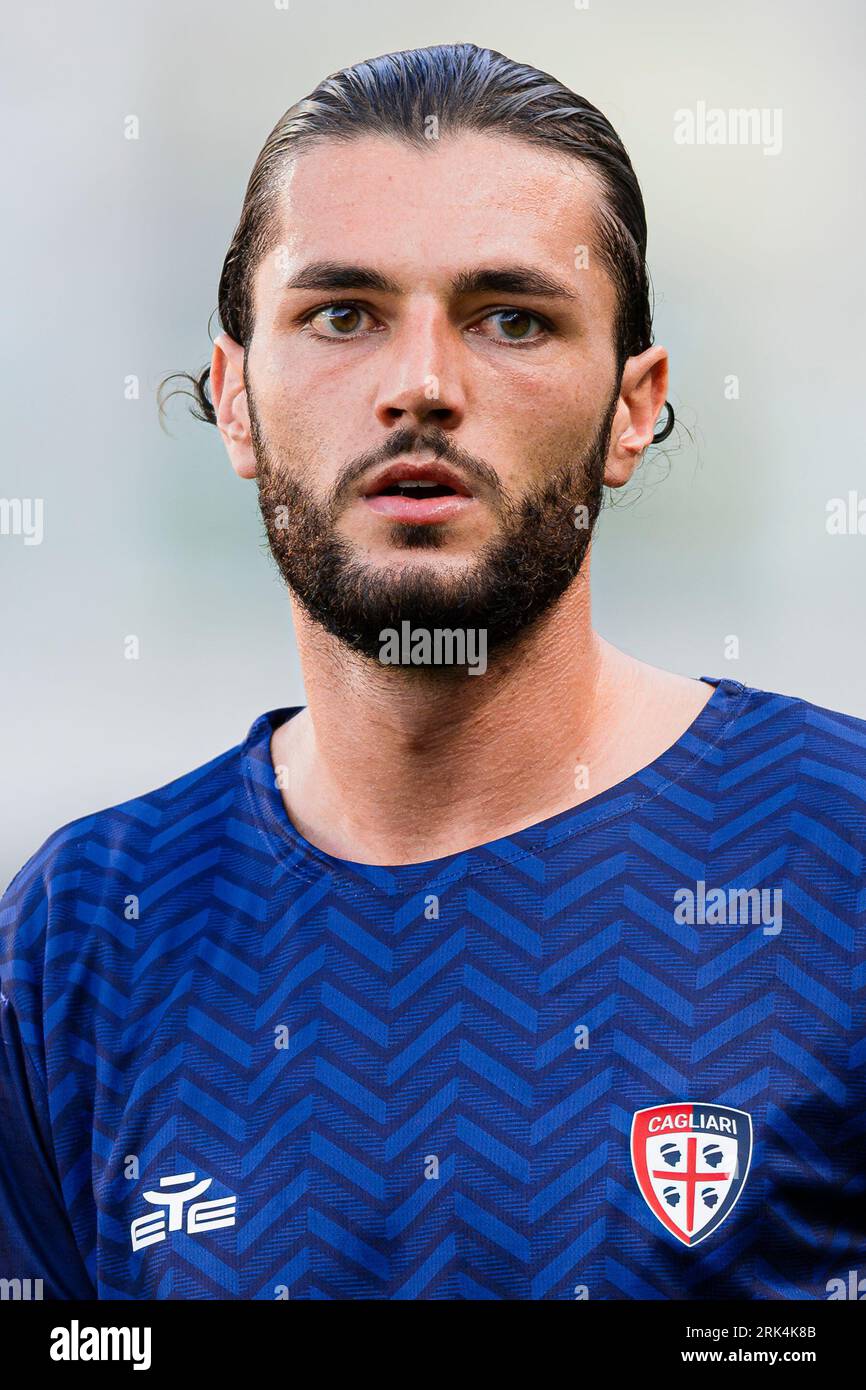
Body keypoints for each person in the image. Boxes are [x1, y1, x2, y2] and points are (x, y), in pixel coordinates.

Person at [1, 43, 863, 1301]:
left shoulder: (836, 854)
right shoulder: (86, 927)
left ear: (633, 408)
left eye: (510, 318)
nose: (420, 387)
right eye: (341, 315)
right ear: (233, 398)